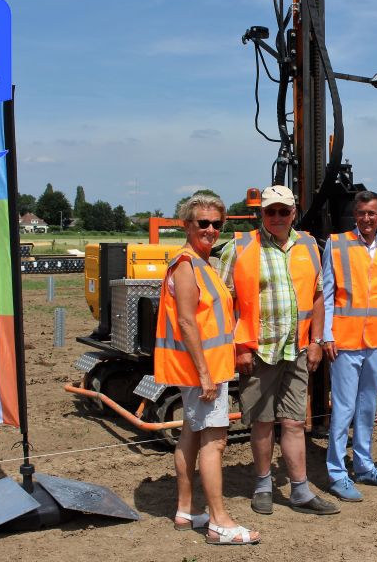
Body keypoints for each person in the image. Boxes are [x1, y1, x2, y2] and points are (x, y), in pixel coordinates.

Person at [217, 185, 339, 515]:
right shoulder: (239, 247)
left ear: (293, 213)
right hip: (258, 352)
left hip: (296, 350)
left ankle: (300, 490)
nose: (277, 217)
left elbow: (317, 297)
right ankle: (262, 485)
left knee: (295, 422)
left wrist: (316, 341)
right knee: (262, 422)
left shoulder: (309, 246)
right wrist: (239, 348)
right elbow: (223, 304)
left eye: (283, 211)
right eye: (270, 211)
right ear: (262, 213)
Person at [155, 194, 259, 545]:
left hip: (207, 369)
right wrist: (204, 375)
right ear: (187, 225)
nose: (211, 229)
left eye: (216, 223)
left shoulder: (202, 263)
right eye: (203, 223)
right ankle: (219, 521)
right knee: (215, 443)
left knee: (190, 434)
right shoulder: (187, 265)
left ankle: (186, 510)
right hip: (205, 372)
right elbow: (187, 322)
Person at [321, 191, 377, 502]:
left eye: (372, 213)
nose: (366, 218)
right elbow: (327, 295)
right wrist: (327, 334)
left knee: (368, 407)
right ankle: (337, 473)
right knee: (343, 409)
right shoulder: (337, 244)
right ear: (355, 215)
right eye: (361, 213)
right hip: (345, 341)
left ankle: (364, 466)